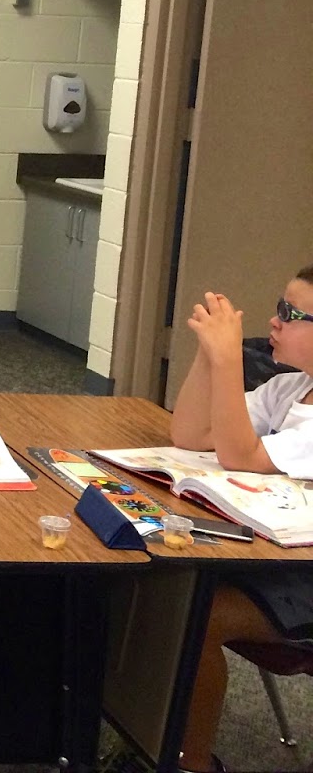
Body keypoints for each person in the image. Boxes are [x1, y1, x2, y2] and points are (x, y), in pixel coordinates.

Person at [169, 267, 313, 773]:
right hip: (273, 555)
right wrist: (210, 357)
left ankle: (193, 761)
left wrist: (231, 358)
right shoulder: (291, 389)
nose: (274, 321)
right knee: (165, 583)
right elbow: (191, 433)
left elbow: (238, 453)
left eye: (292, 314)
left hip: (304, 574)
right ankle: (147, 734)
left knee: (196, 616)